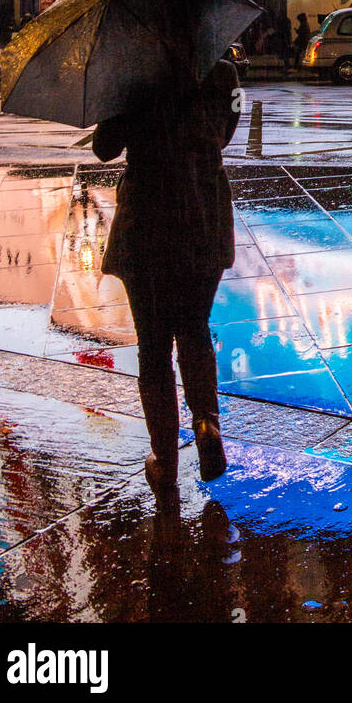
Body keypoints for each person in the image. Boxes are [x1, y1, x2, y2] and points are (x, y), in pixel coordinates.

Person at [92, 57, 240, 498]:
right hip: (205, 209)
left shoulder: (132, 72)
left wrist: (115, 98)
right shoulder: (223, 71)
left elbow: (104, 147)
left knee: (153, 346)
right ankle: (207, 422)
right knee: (194, 328)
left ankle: (164, 457)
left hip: (149, 216)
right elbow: (226, 132)